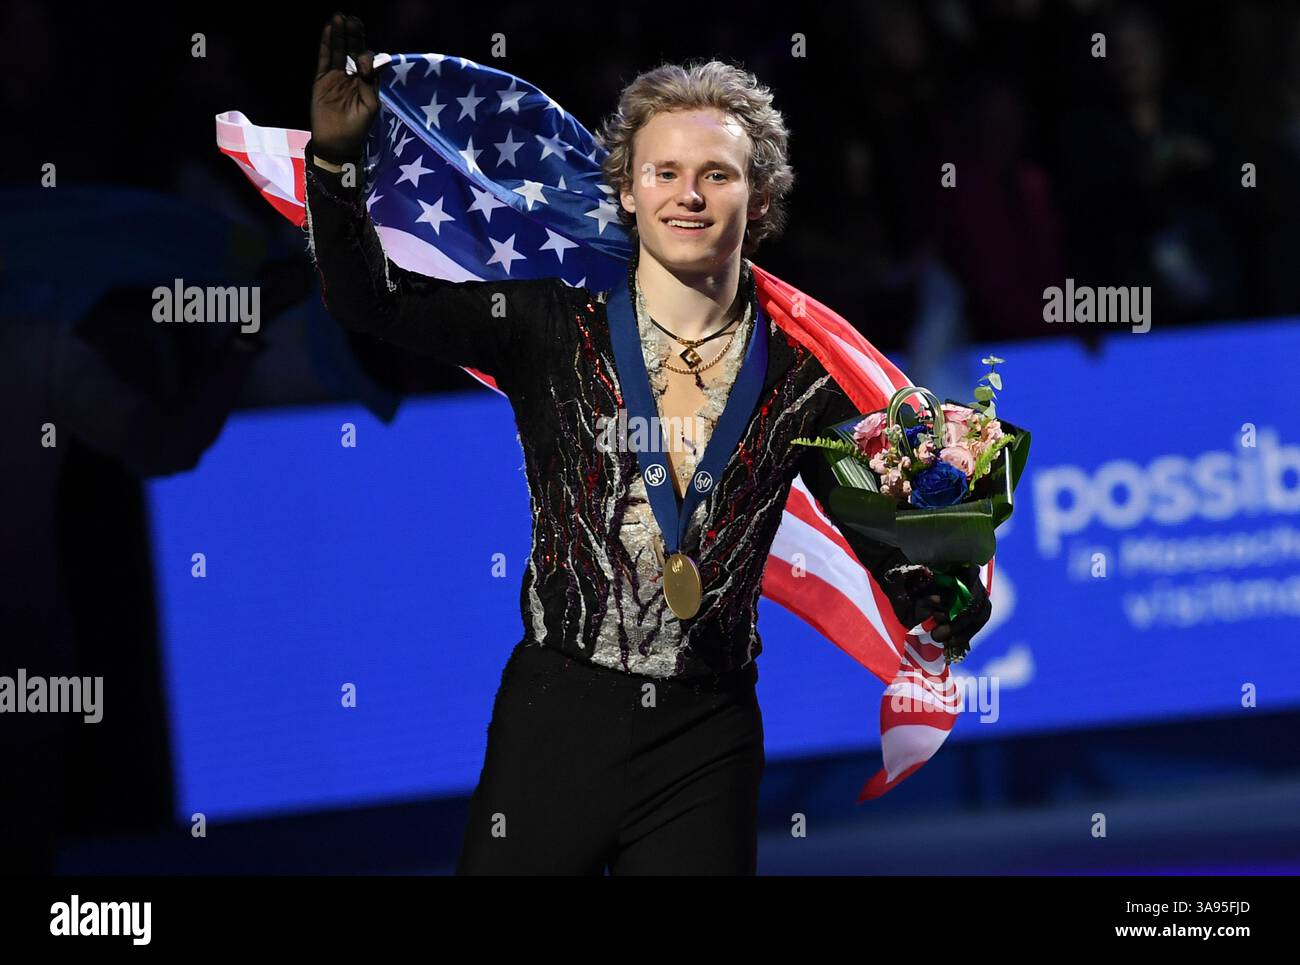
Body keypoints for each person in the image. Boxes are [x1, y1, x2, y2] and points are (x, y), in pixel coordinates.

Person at [304, 12, 990, 875]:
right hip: (556, 720)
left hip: (709, 735)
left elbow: (884, 541)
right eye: (664, 171)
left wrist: (945, 582)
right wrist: (335, 165)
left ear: (762, 199)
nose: (689, 194)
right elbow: (372, 300)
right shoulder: (546, 323)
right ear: (627, 190)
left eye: (717, 174)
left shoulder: (808, 379)